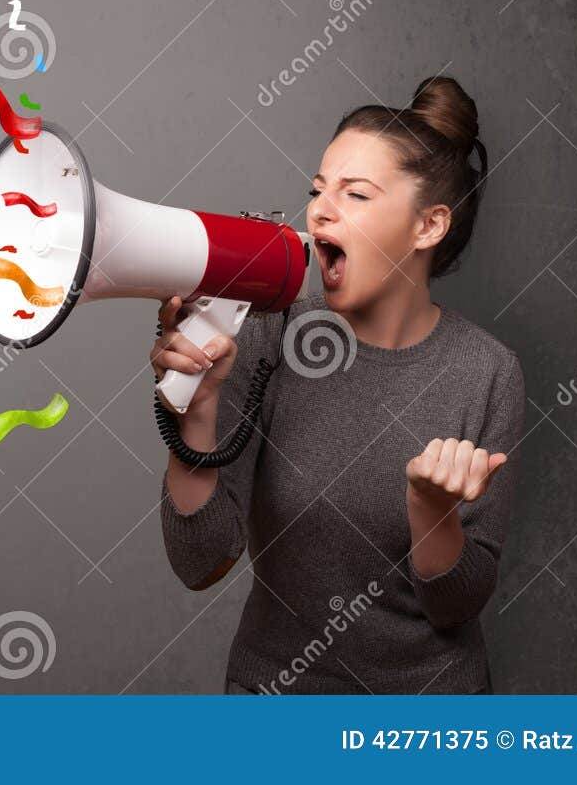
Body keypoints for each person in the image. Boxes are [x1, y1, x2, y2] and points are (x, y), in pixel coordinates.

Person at [154, 76, 525, 694]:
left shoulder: (487, 373)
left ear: (428, 226)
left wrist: (433, 513)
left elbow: (456, 607)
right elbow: (200, 563)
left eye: (355, 195)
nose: (320, 211)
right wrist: (196, 407)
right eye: (317, 190)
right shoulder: (267, 337)